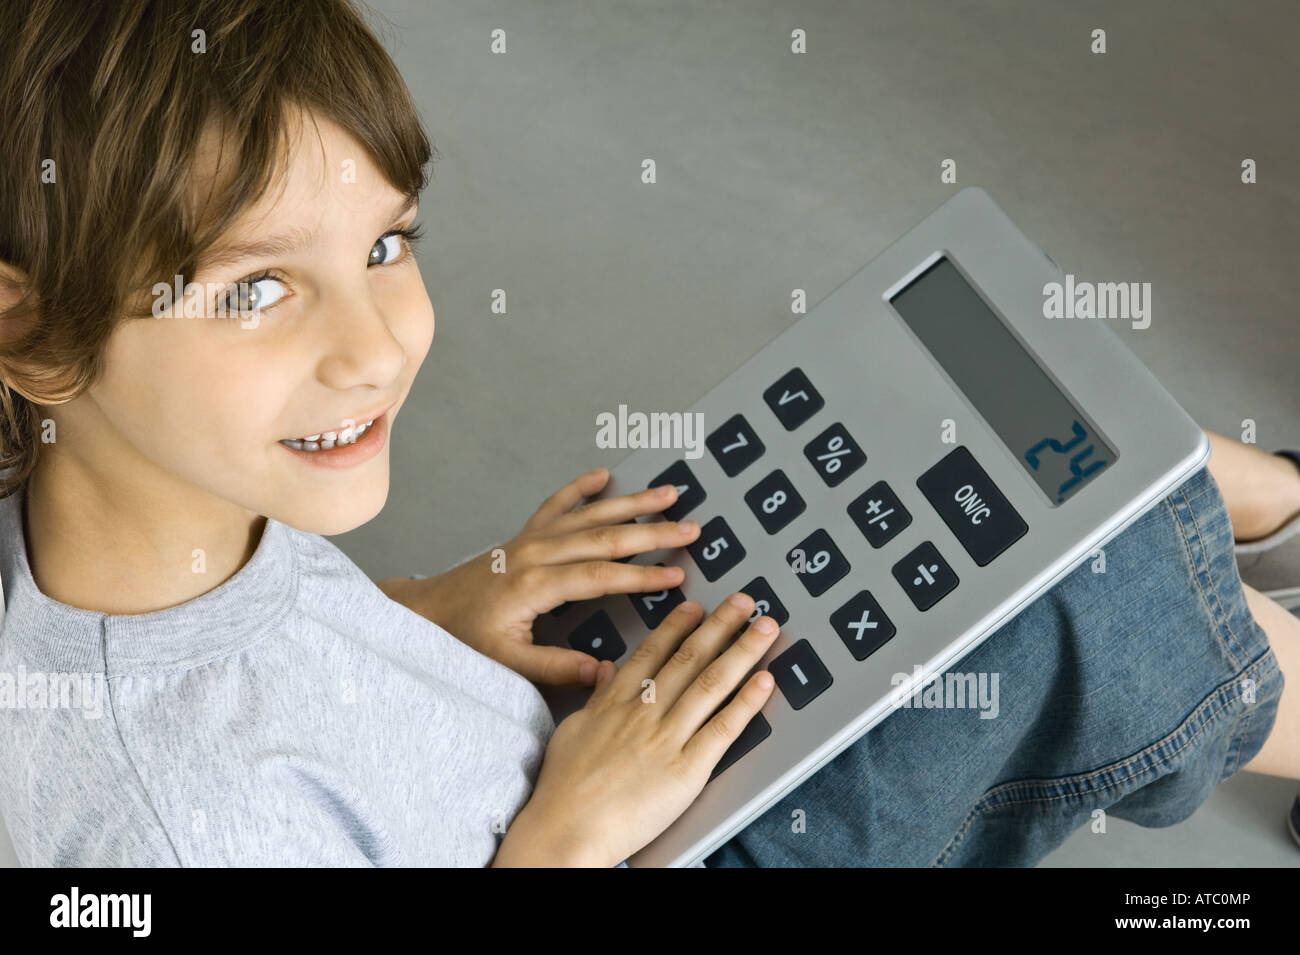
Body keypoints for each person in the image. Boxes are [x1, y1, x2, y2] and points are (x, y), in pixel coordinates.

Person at [0, 0, 1291, 868]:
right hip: (604, 837)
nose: (377, 344)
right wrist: (562, 839)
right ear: (32, 339)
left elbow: (216, 657)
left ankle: (1247, 494)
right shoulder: (172, 826)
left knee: (970, 418)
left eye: (386, 245)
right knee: (1089, 585)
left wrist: (422, 619)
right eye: (258, 289)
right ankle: (1238, 514)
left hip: (550, 746)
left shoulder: (119, 531)